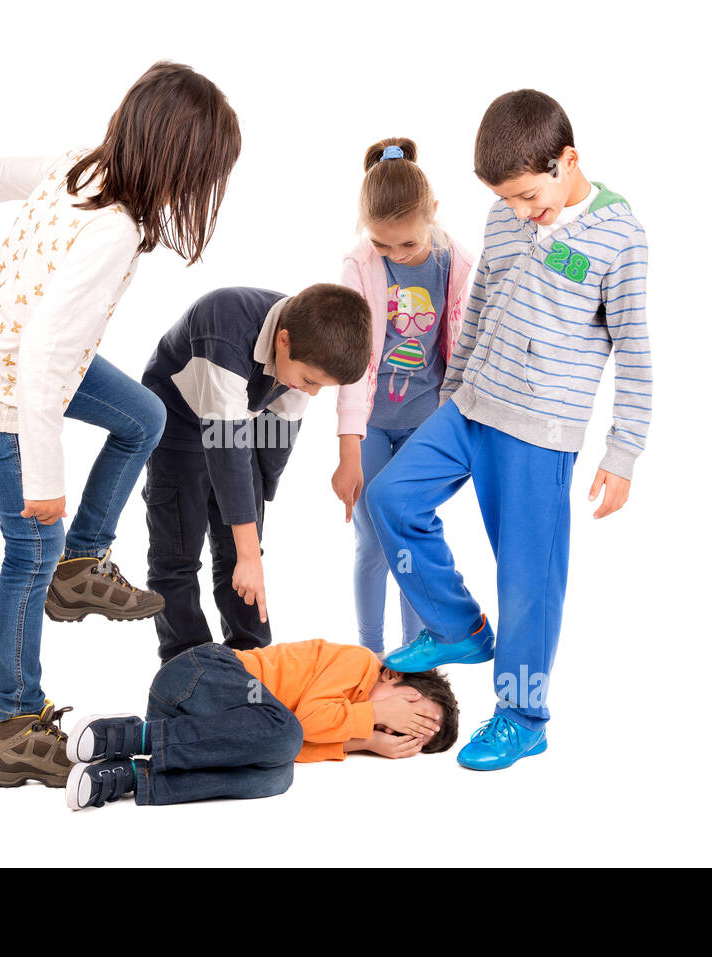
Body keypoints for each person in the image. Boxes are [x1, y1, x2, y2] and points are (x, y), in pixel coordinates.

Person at [0, 62, 241, 788]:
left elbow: (10, 171)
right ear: (177, 165)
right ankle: (14, 724)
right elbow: (40, 358)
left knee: (144, 416)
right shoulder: (113, 232)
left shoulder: (84, 164)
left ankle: (81, 567)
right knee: (29, 546)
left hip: (2, 349)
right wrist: (46, 484)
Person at [366, 89, 652, 770]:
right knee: (390, 497)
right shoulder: (502, 216)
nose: (522, 211)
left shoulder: (620, 235)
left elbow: (635, 348)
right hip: (468, 408)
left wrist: (624, 452)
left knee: (528, 580)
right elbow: (480, 307)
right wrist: (451, 392)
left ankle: (523, 716)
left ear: (567, 160)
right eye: (509, 199)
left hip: (538, 432)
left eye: (529, 196)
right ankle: (458, 625)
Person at [141, 284, 371, 663]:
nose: (312, 393)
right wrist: (248, 550)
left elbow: (275, 440)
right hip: (177, 427)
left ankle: (251, 660)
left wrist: (255, 517)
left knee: (243, 552)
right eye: (311, 381)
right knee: (176, 558)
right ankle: (188, 665)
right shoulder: (225, 327)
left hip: (234, 426)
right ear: (282, 341)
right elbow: (224, 443)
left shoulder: (304, 345)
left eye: (321, 387)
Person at [331, 138, 477, 655]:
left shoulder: (456, 263)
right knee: (372, 544)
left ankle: (415, 655)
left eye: (406, 246)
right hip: (371, 423)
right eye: (382, 245)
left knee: (410, 538)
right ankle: (372, 657)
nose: (393, 255)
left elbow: (464, 355)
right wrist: (349, 453)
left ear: (433, 212)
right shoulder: (358, 265)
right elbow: (350, 365)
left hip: (425, 423)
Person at [62, 639, 459, 809]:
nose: (397, 725)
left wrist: (364, 742)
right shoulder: (360, 664)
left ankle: (129, 777)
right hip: (200, 674)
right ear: (394, 676)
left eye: (407, 732)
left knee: (277, 777)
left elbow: (286, 745)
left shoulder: (349, 723)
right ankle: (122, 734)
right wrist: (373, 719)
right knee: (283, 732)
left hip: (198, 726)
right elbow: (303, 724)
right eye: (412, 710)